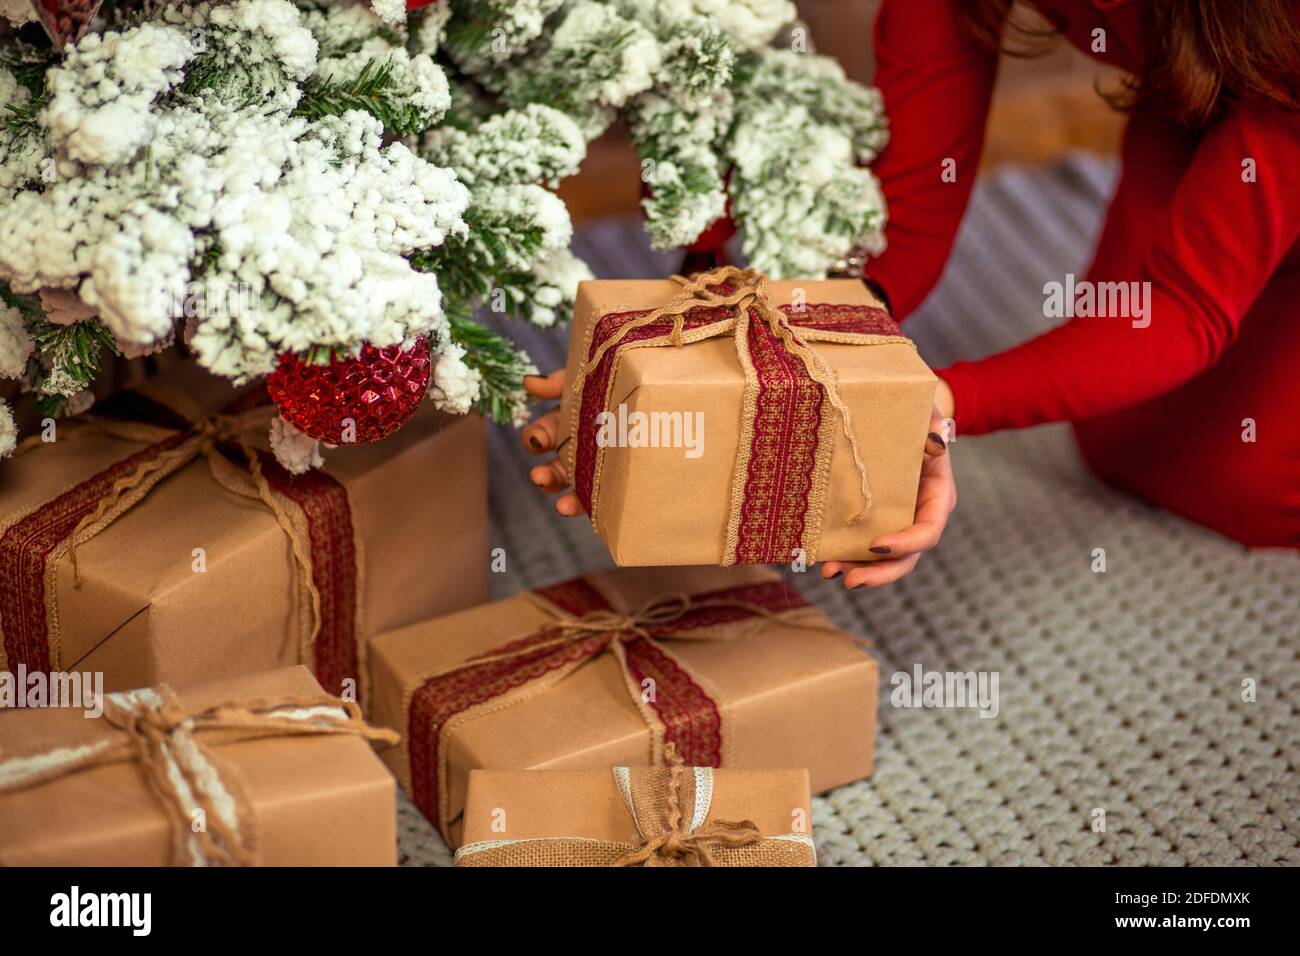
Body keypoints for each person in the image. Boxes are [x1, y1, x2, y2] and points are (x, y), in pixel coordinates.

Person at [522, 0, 1300, 586]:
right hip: (1197, 84)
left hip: (1277, 73)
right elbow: (915, 203)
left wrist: (930, 406)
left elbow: (1181, 308)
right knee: (1130, 442)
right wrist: (730, 354)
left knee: (1241, 480)